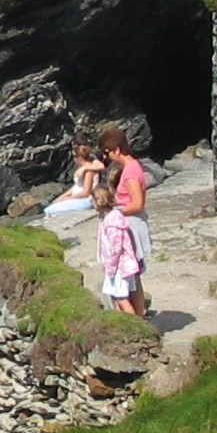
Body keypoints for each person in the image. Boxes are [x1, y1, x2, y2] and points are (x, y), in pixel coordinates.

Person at [96, 125, 149, 313]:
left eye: (107, 152)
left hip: (131, 226)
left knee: (132, 278)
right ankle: (138, 317)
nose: (107, 157)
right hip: (131, 224)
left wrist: (114, 212)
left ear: (117, 150)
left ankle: (136, 319)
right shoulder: (132, 167)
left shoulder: (131, 172)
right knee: (134, 278)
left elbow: (137, 203)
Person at [95, 166, 145, 317]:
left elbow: (116, 247)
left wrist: (110, 267)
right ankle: (121, 323)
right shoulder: (112, 217)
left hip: (119, 267)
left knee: (122, 298)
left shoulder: (112, 221)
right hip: (119, 266)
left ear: (99, 201)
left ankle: (135, 325)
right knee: (116, 298)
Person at [44, 142, 106, 216]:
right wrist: (62, 197)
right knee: (51, 206)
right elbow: (77, 186)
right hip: (78, 198)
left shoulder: (89, 171)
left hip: (85, 200)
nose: (73, 159)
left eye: (74, 156)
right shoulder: (85, 168)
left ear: (79, 157)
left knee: (49, 210)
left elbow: (86, 192)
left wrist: (68, 198)